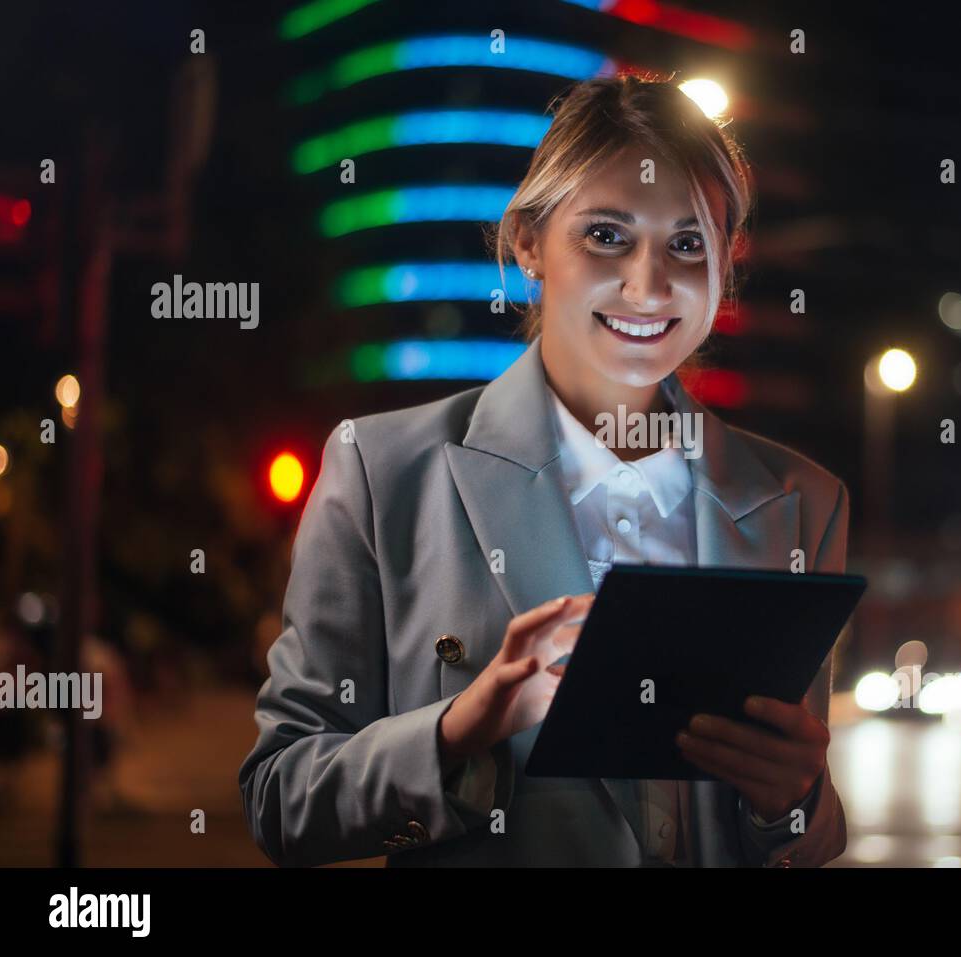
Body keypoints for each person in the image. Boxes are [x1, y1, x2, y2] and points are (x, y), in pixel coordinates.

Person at [238, 73, 849, 867]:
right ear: (528, 240)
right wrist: (458, 729)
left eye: (688, 243)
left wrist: (794, 803)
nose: (648, 283)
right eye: (607, 234)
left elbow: (806, 834)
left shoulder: (803, 500)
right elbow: (280, 799)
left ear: (727, 263)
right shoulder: (383, 472)